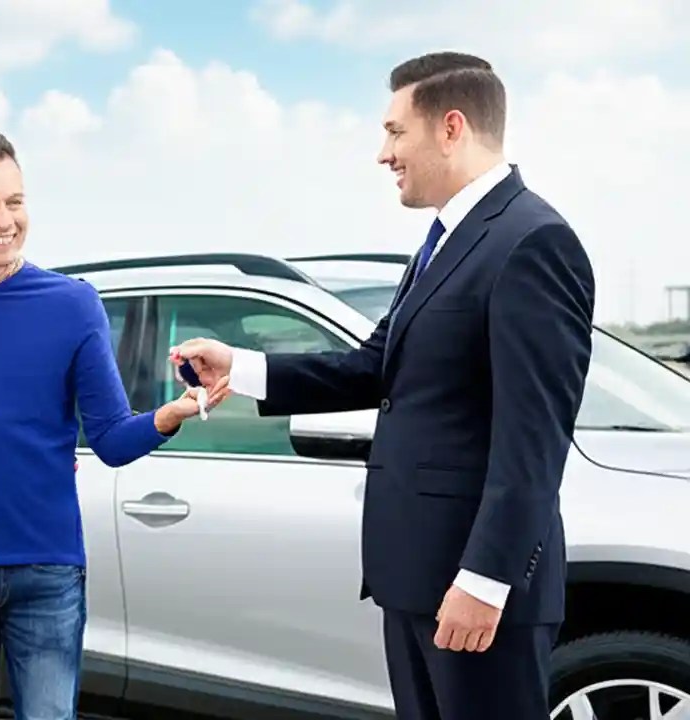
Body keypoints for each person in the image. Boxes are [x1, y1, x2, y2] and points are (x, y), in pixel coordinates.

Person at [172, 52, 595, 720]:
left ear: (451, 127)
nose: (383, 153)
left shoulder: (530, 241)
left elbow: (534, 441)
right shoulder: (444, 240)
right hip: (417, 578)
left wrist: (485, 581)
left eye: (396, 132)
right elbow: (374, 367)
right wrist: (243, 365)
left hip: (474, 591)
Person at [0, 128, 229, 719]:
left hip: (45, 569)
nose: (4, 220)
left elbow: (112, 440)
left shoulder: (72, 304)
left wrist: (171, 414)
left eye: (15, 202)